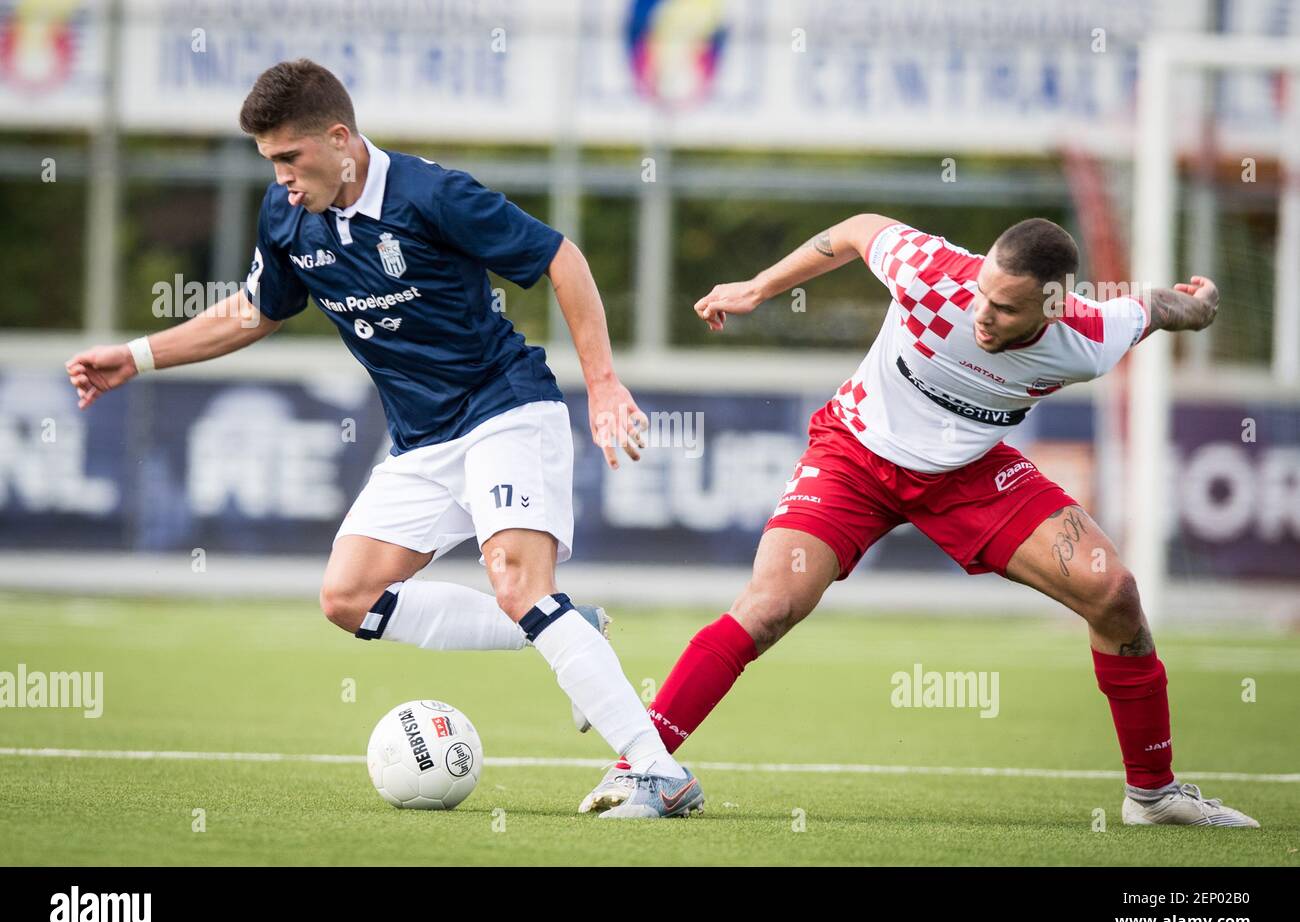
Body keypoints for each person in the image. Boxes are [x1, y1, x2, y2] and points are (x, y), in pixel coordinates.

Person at [65, 58, 701, 820]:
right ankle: (568, 630)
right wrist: (135, 358)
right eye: (269, 163)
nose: (281, 180)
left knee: (518, 585)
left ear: (340, 139)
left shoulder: (434, 195)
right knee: (348, 597)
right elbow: (252, 312)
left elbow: (561, 259)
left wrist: (602, 385)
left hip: (504, 409)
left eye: (289, 159)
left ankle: (658, 772)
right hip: (422, 442)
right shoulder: (288, 215)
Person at [579, 213, 1257, 828]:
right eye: (983, 294)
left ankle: (1153, 794)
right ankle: (641, 767)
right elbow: (854, 229)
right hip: (855, 454)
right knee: (770, 606)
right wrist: (760, 286)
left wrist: (1195, 308)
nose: (982, 314)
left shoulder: (1087, 338)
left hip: (969, 475)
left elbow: (1152, 308)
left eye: (1005, 309)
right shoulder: (932, 274)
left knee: (1114, 593)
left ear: (1050, 309)